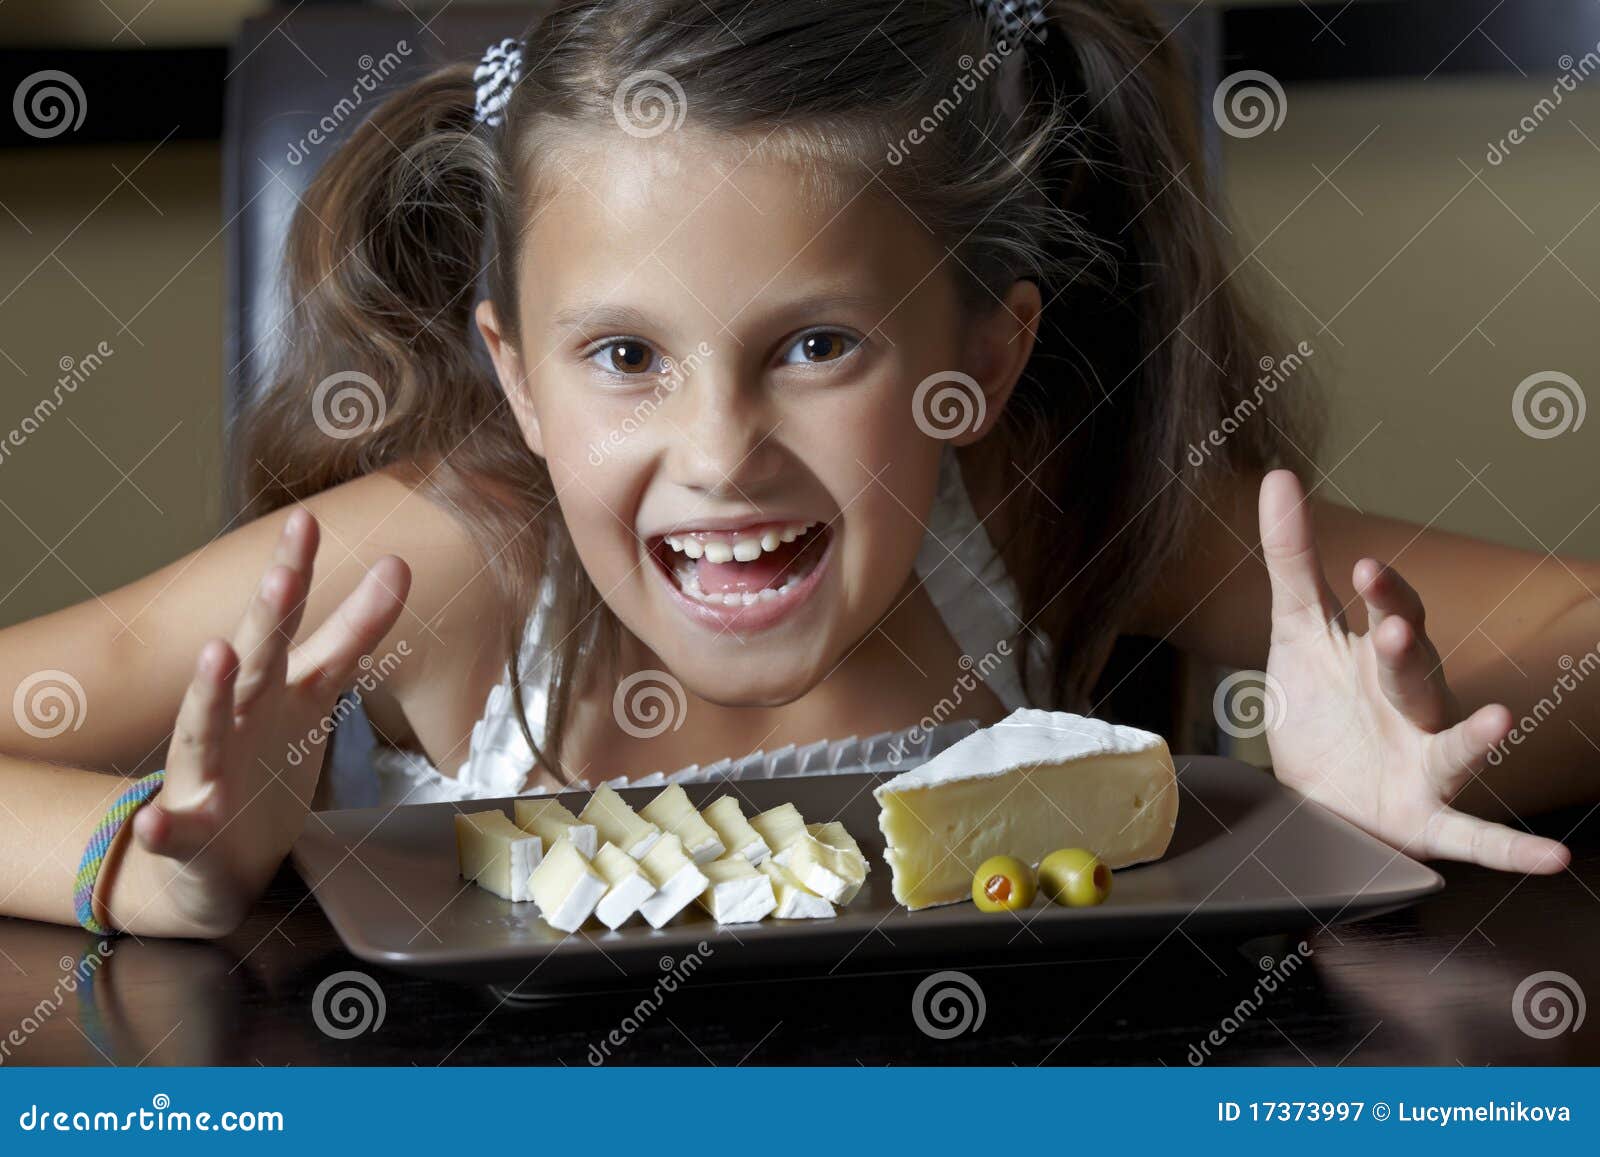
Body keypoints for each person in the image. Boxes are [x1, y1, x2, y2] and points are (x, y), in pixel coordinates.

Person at [0, 0, 1590, 938]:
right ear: (516, 377)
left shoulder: (1037, 512)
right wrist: (139, 870)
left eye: (819, 347)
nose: (718, 457)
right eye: (626, 358)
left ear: (985, 362)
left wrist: (1390, 783)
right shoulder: (436, 567)